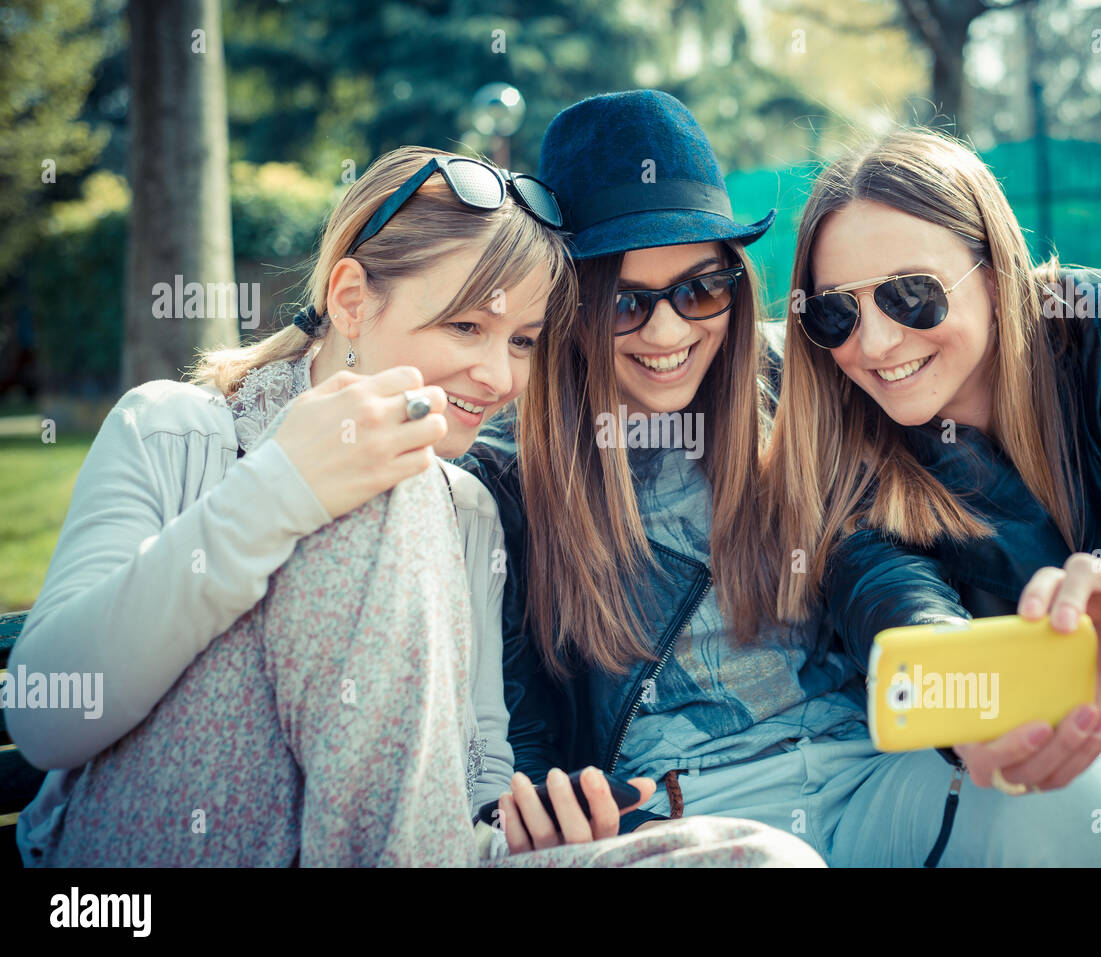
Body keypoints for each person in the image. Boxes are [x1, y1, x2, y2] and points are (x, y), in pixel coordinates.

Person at [10, 144, 820, 869]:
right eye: (466, 325)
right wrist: (282, 487)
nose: (499, 378)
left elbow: (477, 754)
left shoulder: (464, 503)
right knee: (385, 481)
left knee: (761, 858)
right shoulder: (173, 429)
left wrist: (520, 819)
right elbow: (48, 716)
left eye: (522, 342)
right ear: (353, 299)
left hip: (416, 845)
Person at [461, 90, 1101, 866]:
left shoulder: (802, 386)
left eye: (700, 288)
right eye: (623, 303)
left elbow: (877, 566)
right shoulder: (506, 473)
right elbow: (509, 709)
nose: (669, 331)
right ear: (568, 303)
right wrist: (528, 806)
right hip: (682, 812)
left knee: (1085, 807)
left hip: (872, 770)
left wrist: (956, 688)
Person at [765, 127, 1101, 865]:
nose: (877, 343)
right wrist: (974, 717)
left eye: (911, 296)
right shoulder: (849, 474)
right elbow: (902, 617)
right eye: (836, 312)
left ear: (992, 269)